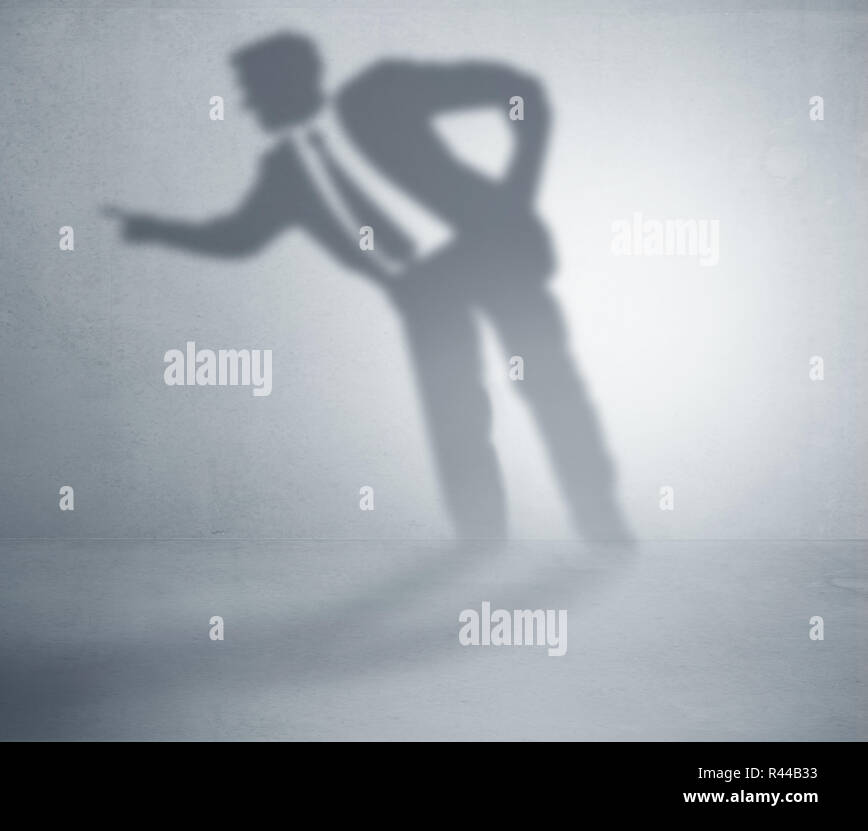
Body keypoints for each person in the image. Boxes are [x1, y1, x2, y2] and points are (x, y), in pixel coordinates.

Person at [105, 33, 633, 544]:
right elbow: (238, 239)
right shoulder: (284, 172)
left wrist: (515, 197)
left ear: (294, 79)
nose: (247, 105)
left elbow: (518, 92)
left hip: (496, 259)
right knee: (455, 413)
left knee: (547, 383)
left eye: (255, 88)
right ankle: (481, 541)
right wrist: (153, 229)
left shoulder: (380, 92)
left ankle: (599, 518)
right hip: (426, 295)